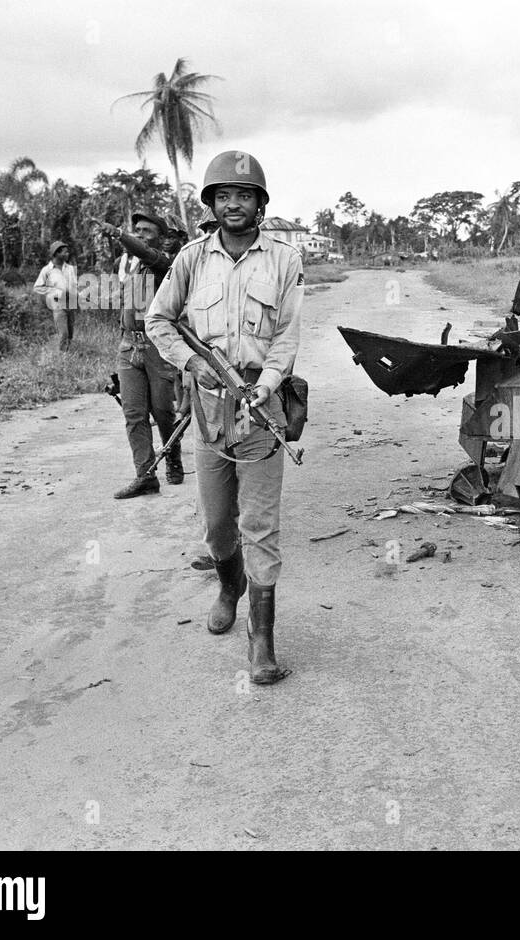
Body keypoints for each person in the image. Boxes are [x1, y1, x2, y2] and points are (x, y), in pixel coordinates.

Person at [146, 151, 302, 685]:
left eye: (245, 195)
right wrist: (192, 362)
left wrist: (264, 385)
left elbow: (287, 336)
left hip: (262, 407)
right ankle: (227, 584)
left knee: (260, 526)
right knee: (217, 527)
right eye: (224, 195)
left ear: (261, 203)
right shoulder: (191, 259)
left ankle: (263, 644)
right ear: (212, 203)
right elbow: (159, 321)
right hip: (210, 411)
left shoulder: (284, 260)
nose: (234, 204)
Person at [98, 211, 185, 497]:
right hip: (128, 346)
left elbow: (145, 251)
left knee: (162, 411)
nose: (140, 234)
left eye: (146, 231)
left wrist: (118, 233)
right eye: (137, 229)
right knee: (133, 413)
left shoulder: (164, 263)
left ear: (160, 238)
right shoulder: (131, 267)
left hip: (157, 347)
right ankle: (145, 475)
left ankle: (172, 455)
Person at [33, 241, 78, 350]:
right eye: (65, 252)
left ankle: (68, 353)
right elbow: (37, 287)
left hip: (70, 304)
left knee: (70, 333)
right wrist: (56, 292)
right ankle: (62, 357)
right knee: (63, 333)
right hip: (58, 306)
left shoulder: (70, 269)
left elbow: (74, 285)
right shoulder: (47, 270)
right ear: (57, 254)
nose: (68, 254)